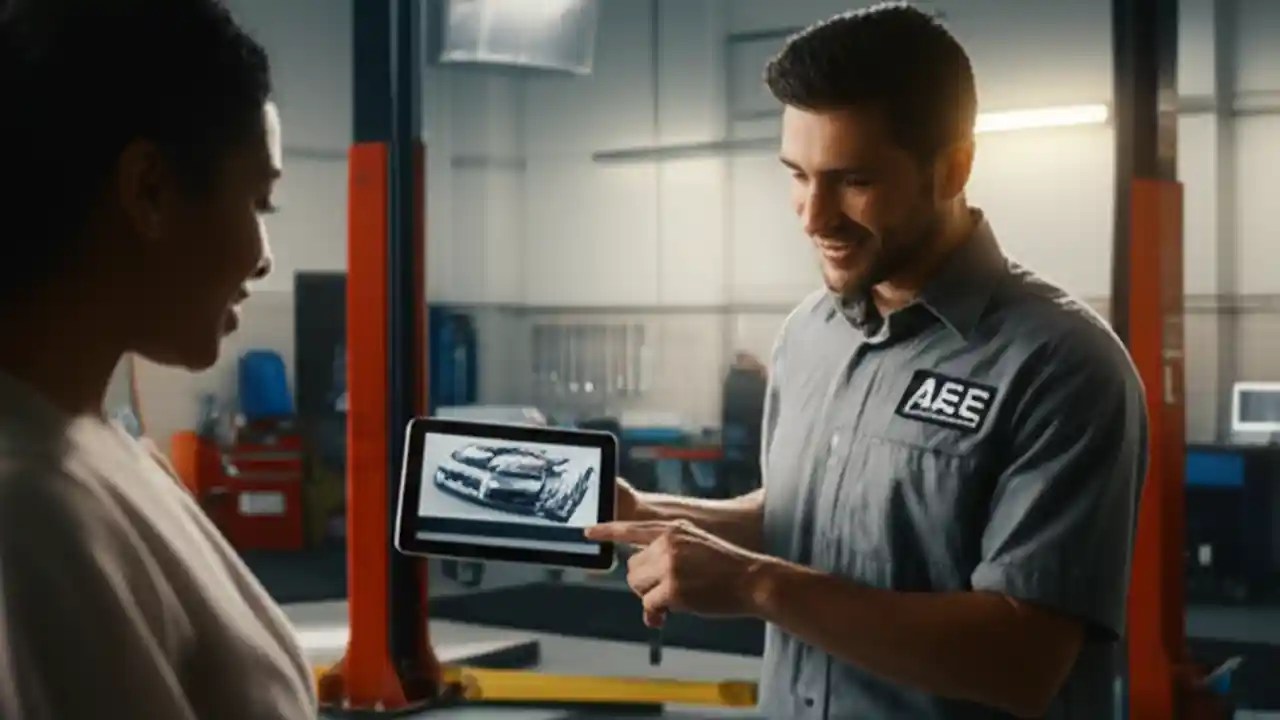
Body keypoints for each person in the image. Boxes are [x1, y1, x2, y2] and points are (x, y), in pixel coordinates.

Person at [587, 4, 1147, 719]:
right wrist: (648, 513)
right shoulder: (810, 335)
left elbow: (1024, 658)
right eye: (798, 175)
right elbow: (805, 515)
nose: (813, 216)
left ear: (954, 168)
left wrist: (758, 586)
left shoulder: (1060, 365)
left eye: (853, 181)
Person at [0, 1, 317, 717]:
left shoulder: (102, 449)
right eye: (258, 202)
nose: (264, 258)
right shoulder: (29, 512)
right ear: (149, 190)